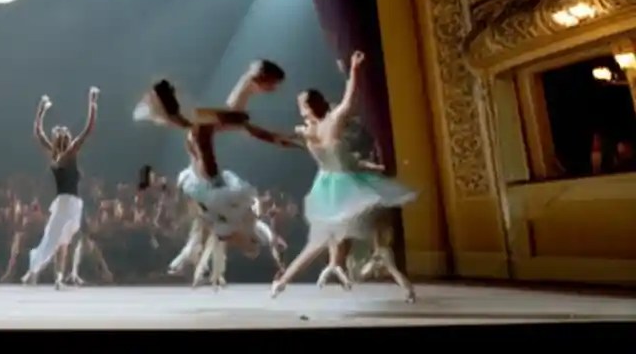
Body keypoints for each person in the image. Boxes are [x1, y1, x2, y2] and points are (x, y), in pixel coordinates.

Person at [134, 61, 301, 288]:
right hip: (208, 184)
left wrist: (278, 138)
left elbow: (240, 122)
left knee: (234, 227)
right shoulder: (198, 124)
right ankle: (196, 261)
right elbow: (235, 122)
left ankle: (194, 261)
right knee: (239, 231)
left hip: (208, 181)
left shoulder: (199, 122)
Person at [271, 51, 418, 302]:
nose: (299, 109)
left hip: (337, 186)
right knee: (337, 238)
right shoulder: (316, 128)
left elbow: (348, 106)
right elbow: (347, 108)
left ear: (309, 106)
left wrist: (353, 70)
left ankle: (283, 283)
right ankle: (401, 282)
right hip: (337, 186)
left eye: (302, 105)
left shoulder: (321, 126)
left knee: (334, 240)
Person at [21, 87, 99, 288]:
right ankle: (35, 271)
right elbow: (88, 130)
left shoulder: (57, 154)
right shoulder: (68, 154)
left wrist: (41, 110)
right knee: (54, 240)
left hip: (68, 203)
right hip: (67, 203)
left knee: (60, 241)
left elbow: (38, 132)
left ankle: (56, 277)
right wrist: (91, 102)